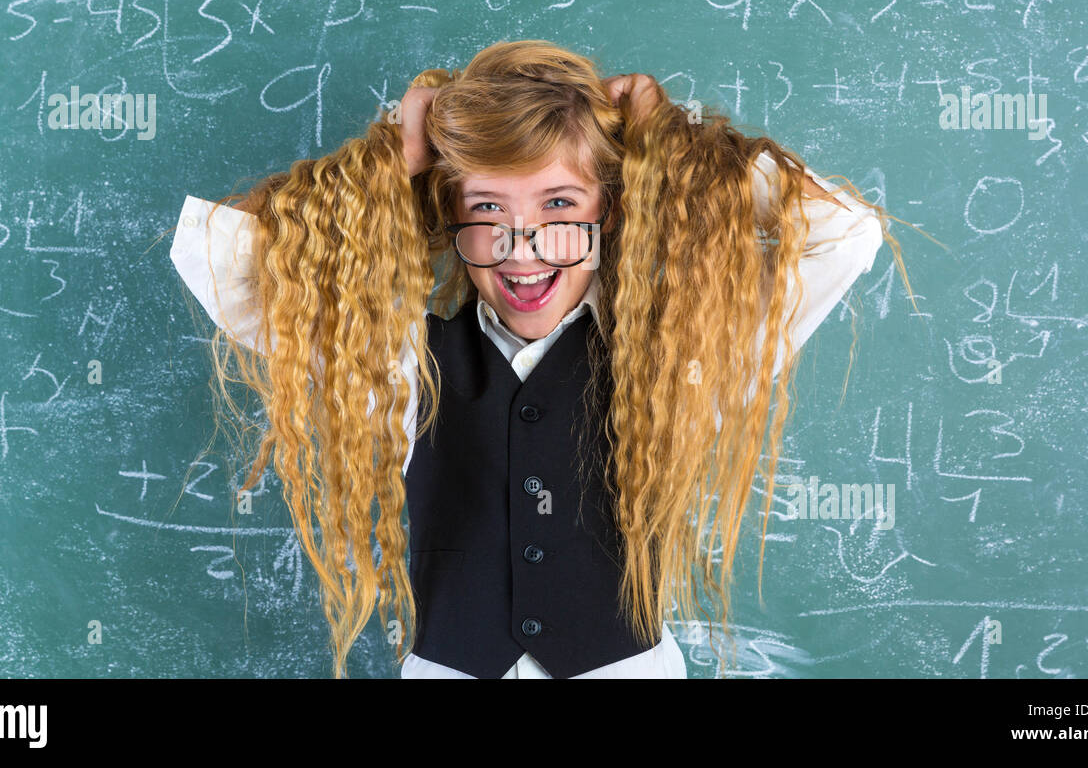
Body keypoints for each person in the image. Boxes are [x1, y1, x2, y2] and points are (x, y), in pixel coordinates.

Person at [169, 39, 899, 678]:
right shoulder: (394, 366)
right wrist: (394, 155)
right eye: (488, 210)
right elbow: (211, 252)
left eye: (558, 206)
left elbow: (844, 233)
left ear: (607, 213)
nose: (525, 248)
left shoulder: (680, 361)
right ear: (449, 214)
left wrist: (669, 143)